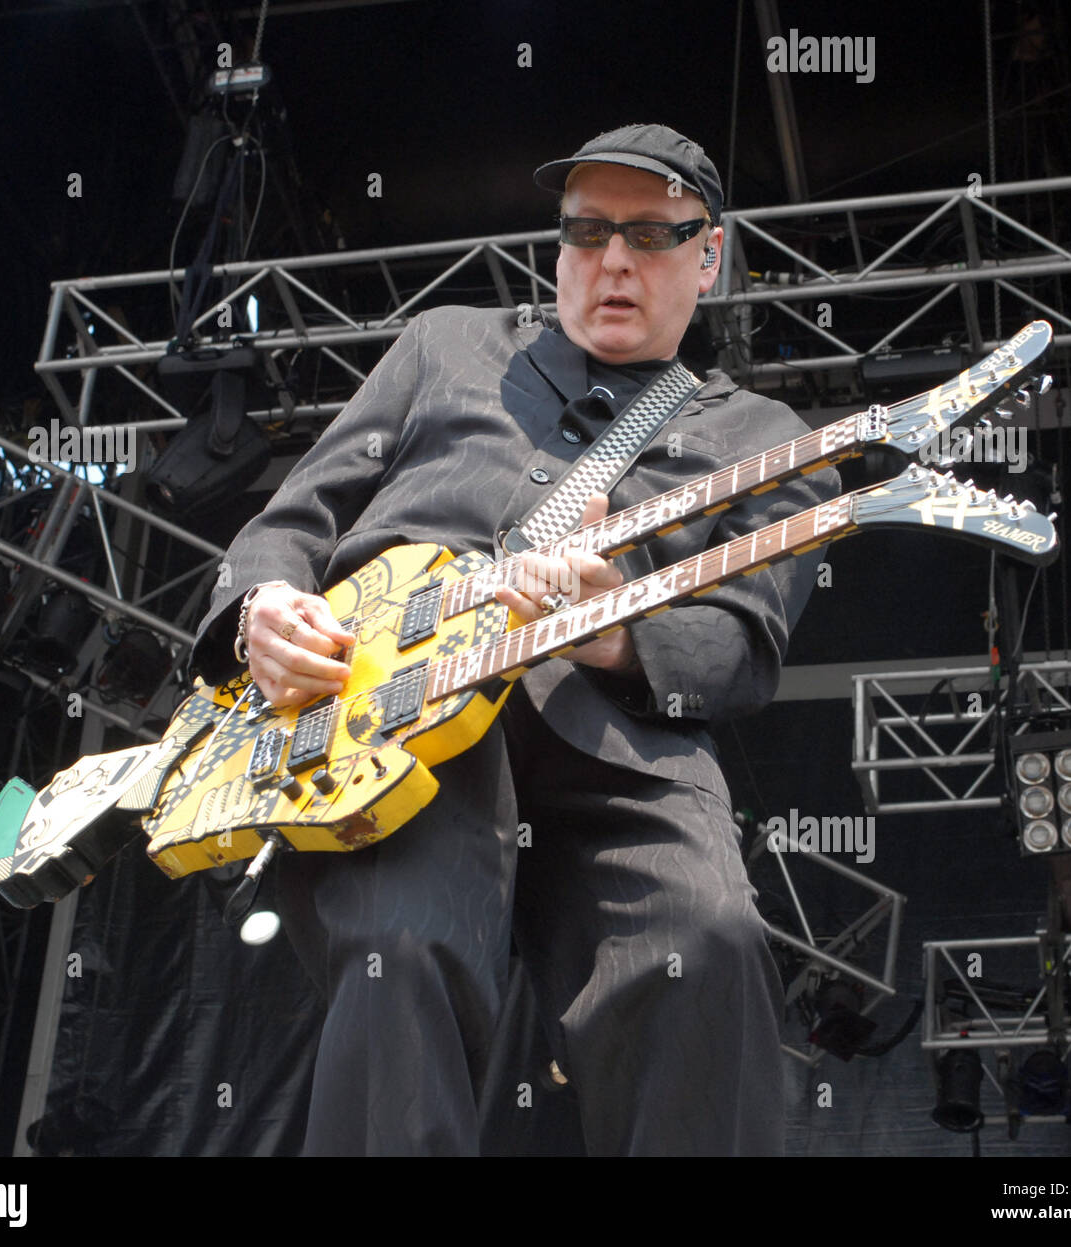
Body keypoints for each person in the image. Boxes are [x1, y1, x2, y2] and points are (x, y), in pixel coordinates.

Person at [190, 124, 841, 1155]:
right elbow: (288, 520)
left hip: (616, 741)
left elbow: (741, 647)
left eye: (649, 234)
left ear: (708, 254)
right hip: (395, 719)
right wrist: (262, 606)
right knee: (396, 952)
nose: (613, 259)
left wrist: (612, 625)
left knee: (708, 944)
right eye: (586, 231)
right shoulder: (442, 344)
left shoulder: (764, 440)